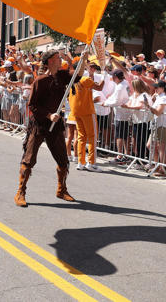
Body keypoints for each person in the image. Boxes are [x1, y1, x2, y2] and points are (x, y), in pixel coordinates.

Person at [14, 49, 80, 207]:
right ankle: (20, 192)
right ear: (50, 61)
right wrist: (49, 115)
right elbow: (33, 105)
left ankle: (61, 189)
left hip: (55, 126)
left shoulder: (62, 76)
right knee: (29, 159)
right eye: (57, 58)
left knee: (63, 160)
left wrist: (82, 60)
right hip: (39, 124)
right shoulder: (40, 81)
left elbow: (77, 75)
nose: (60, 60)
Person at [70, 61, 104, 171]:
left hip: (76, 111)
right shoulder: (84, 79)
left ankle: (81, 162)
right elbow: (99, 88)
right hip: (87, 111)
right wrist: (104, 77)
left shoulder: (72, 80)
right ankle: (92, 163)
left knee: (81, 137)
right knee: (92, 136)